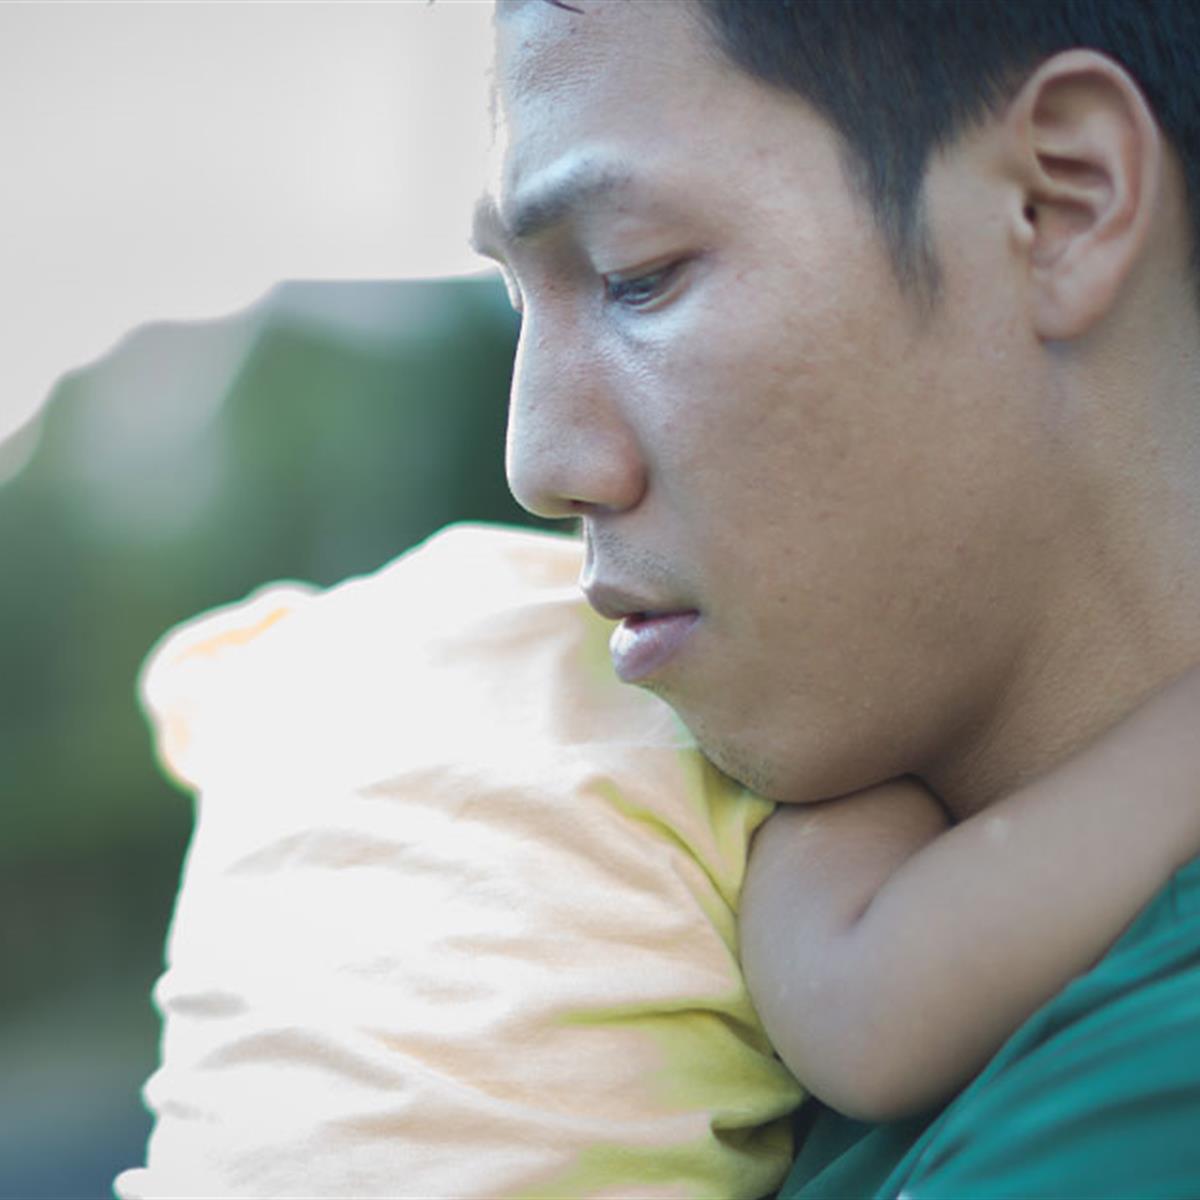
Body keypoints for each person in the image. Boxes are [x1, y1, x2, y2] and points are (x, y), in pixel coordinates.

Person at [476, 0, 1200, 1194]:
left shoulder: (1151, 1101)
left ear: (1057, 206)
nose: (539, 463)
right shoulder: (635, 871)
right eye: (518, 300)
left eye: (635, 277)